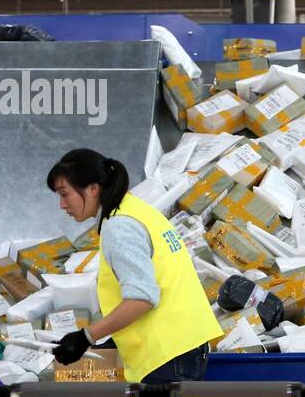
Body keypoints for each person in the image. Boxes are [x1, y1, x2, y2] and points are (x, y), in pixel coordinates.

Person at [46, 148, 221, 383]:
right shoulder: (138, 211)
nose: (61, 205)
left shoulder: (119, 226)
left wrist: (86, 337)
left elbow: (142, 298)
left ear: (93, 189)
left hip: (166, 354)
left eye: (64, 194)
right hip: (183, 346)